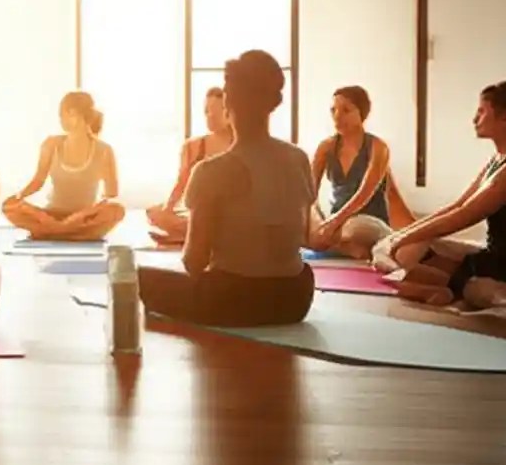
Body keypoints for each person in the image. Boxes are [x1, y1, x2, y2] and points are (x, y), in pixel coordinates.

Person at [138, 50, 316, 327]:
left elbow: (194, 262)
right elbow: (303, 236)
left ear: (228, 101)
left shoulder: (212, 171)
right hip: (295, 298)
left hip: (232, 300)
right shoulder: (299, 159)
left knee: (134, 277)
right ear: (275, 102)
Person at [381, 80, 506, 314]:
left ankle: (467, 292)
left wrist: (400, 238)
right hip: (493, 255)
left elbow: (465, 215)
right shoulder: (498, 159)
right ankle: (450, 291)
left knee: (473, 287)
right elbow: (458, 204)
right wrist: (402, 236)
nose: (475, 119)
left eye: (482, 112)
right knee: (411, 248)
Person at [306, 87, 416, 259]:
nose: (337, 116)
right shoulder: (326, 147)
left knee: (354, 230)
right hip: (335, 225)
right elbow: (309, 193)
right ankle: (347, 248)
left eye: (346, 110)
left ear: (362, 114)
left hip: (367, 223)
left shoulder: (378, 147)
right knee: (295, 224)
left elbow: (364, 194)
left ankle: (340, 244)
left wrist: (333, 223)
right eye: (333, 110)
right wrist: (317, 222)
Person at [2, 91, 125, 241]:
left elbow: (111, 195)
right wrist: (18, 198)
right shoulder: (51, 144)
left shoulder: (104, 150)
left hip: (84, 217)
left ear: (85, 115)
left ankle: (54, 231)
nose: (63, 119)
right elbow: (37, 181)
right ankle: (71, 233)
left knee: (117, 210)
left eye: (69, 114)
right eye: (61, 115)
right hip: (51, 215)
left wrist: (81, 216)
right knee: (8, 206)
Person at [146, 87, 234, 243]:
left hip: (231, 213)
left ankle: (188, 236)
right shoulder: (194, 146)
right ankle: (193, 234)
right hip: (198, 211)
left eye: (216, 110)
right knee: (154, 213)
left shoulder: (241, 145)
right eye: (206, 111)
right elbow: (181, 183)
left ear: (229, 113)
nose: (210, 116)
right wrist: (167, 210)